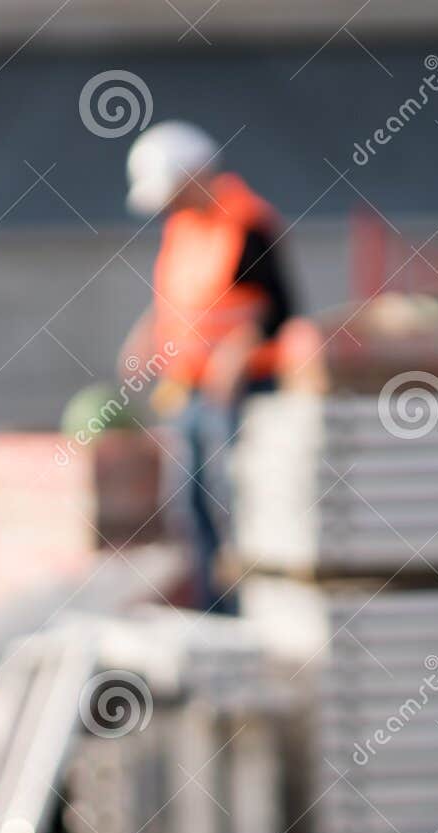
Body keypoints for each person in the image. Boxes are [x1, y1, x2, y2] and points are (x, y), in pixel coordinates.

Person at [120, 121, 296, 614]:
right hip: (189, 390)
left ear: (194, 176)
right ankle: (213, 613)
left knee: (233, 501)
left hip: (242, 391)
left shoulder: (247, 223)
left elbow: (278, 308)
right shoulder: (184, 228)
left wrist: (239, 351)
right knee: (189, 506)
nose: (167, 206)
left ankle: (248, 612)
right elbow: (184, 302)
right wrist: (147, 332)